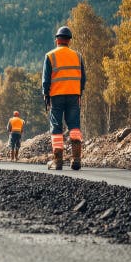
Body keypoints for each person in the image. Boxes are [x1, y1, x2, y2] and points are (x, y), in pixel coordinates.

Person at [42, 26, 86, 170]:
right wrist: (79, 92)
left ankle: (58, 161)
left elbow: (46, 80)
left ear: (57, 40)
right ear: (69, 41)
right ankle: (76, 159)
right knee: (74, 127)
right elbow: (83, 78)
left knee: (56, 127)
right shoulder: (78, 56)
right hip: (74, 95)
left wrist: (46, 95)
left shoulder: (50, 55)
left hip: (56, 96)